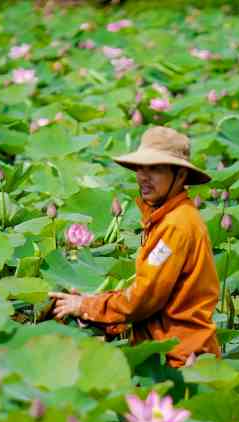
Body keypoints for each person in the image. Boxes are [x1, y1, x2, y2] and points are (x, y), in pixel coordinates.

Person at [51, 126, 221, 368]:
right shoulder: (165, 217)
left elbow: (143, 299)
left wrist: (86, 306)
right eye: (141, 168)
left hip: (181, 359)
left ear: (180, 176)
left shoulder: (177, 225)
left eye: (155, 169)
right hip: (162, 351)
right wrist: (96, 308)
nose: (143, 176)